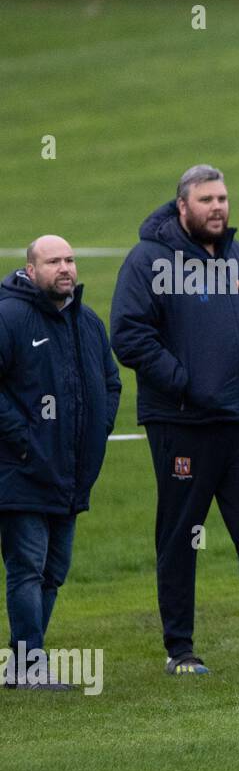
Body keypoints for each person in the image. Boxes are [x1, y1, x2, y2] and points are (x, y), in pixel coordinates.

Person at [111, 164, 239, 676]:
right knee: (182, 533)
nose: (218, 208)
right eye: (206, 200)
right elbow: (129, 335)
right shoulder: (149, 261)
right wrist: (184, 382)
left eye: (222, 198)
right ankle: (179, 649)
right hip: (183, 425)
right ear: (182, 206)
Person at [0, 237, 120, 691]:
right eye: (53, 262)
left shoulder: (86, 321)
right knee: (27, 568)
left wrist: (95, 432)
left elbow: (110, 383)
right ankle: (30, 666)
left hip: (70, 472)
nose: (65, 268)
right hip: (21, 470)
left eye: (69, 260)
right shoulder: (9, 317)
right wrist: (24, 440)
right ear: (31, 270)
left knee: (54, 572)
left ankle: (22, 664)